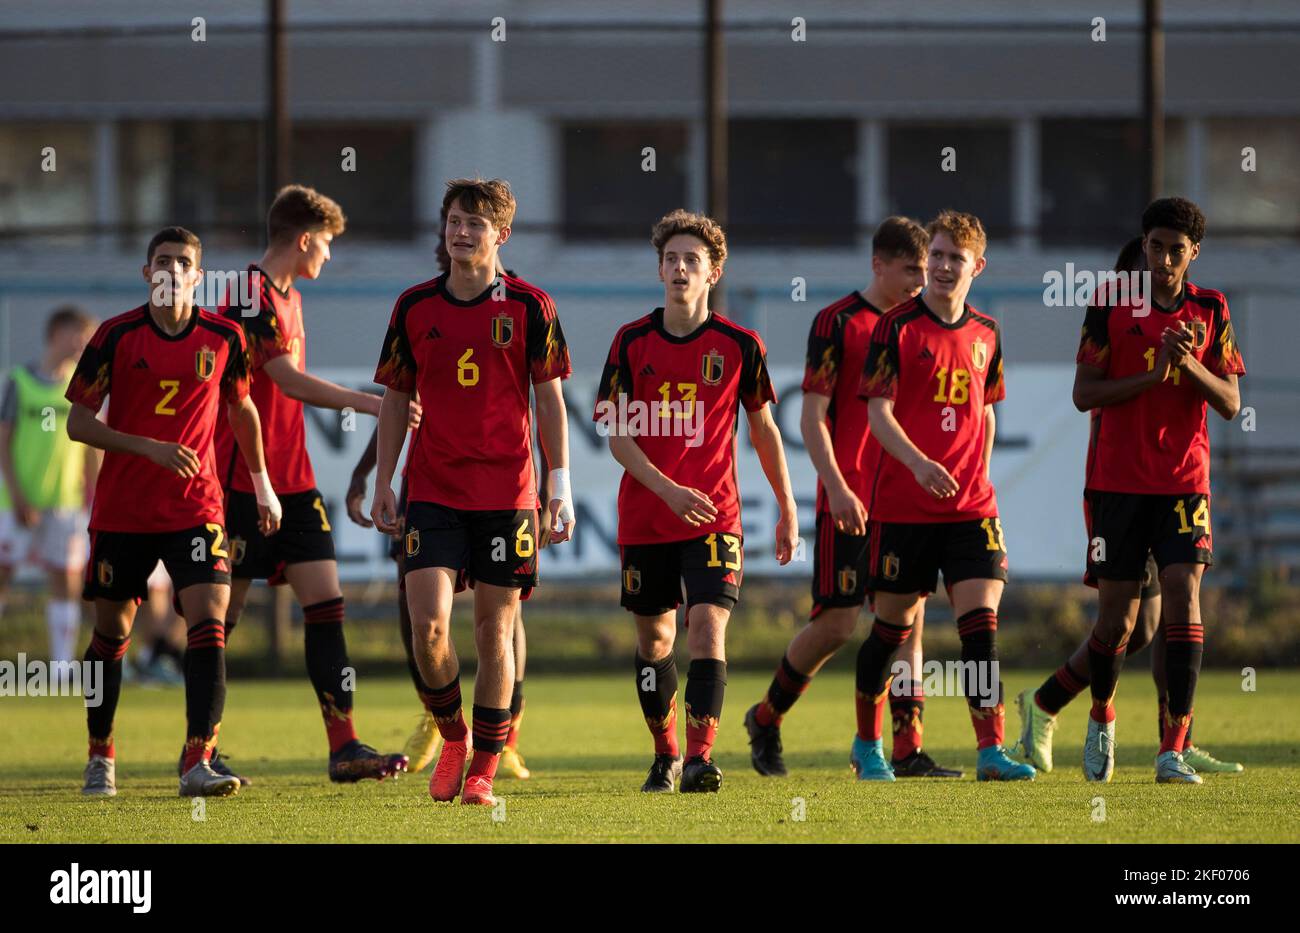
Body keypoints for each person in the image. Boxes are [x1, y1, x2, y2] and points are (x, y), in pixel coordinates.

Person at [371, 178, 574, 807]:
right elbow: (396, 398)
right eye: (454, 221)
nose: (462, 233)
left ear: (501, 235)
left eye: (476, 224)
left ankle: (483, 769)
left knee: (495, 630)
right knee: (428, 628)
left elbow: (550, 401)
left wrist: (558, 486)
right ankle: (454, 736)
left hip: (508, 493)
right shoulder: (413, 307)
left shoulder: (532, 307)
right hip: (432, 489)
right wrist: (383, 478)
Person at [1031, 198, 1245, 784]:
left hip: (1183, 482)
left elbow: (1229, 403)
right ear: (1143, 244)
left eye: (1177, 250)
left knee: (1183, 594)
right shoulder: (1108, 305)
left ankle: (1172, 747)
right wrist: (1153, 375)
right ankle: (1101, 716)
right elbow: (1083, 393)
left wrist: (1188, 366)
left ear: (1193, 253)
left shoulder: (1211, 309)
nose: (1165, 259)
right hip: (1117, 484)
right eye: (1156, 246)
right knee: (1120, 624)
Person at [66, 225, 281, 797]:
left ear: (198, 275)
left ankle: (196, 761)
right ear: (147, 273)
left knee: (208, 622)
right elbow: (77, 422)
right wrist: (149, 447)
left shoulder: (224, 336)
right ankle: (100, 753)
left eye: (183, 262)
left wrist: (263, 485)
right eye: (161, 261)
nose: (171, 270)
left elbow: (243, 411)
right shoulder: (116, 336)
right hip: (123, 510)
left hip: (197, 506)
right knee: (111, 634)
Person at [745, 217, 960, 779]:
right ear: (878, 264)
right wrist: (837, 487)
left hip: (905, 502)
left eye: (927, 267)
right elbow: (811, 416)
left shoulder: (925, 326)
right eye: (911, 268)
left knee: (908, 621)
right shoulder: (838, 323)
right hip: (852, 497)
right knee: (838, 626)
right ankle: (766, 717)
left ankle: (907, 748)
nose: (922, 278)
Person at [210, 184, 411, 785]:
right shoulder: (246, 293)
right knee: (222, 615)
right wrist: (373, 404)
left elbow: (288, 385)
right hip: (243, 477)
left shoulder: (290, 297)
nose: (328, 254)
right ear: (303, 239)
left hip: (294, 484)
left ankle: (344, 745)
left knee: (326, 606)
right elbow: (288, 381)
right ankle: (201, 747)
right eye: (325, 243)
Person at [594, 209, 798, 794]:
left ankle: (703, 759)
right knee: (654, 641)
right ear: (660, 268)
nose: (681, 268)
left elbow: (764, 431)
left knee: (707, 628)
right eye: (672, 259)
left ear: (713, 272)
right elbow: (617, 434)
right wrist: (669, 490)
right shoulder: (631, 342)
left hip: (715, 518)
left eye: (693, 260)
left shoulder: (739, 345)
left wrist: (786, 507)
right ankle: (666, 754)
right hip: (647, 515)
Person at [852, 210, 1034, 782]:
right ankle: (867, 745)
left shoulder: (986, 332)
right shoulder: (897, 327)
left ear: (977, 266)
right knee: (892, 630)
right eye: (936, 255)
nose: (943, 266)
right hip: (904, 508)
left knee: (979, 626)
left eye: (956, 257)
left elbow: (986, 409)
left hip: (971, 509)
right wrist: (919, 463)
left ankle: (990, 750)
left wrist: (977, 473)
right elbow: (877, 412)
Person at [0, 306, 98, 664]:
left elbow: (90, 449)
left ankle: (60, 669)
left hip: (66, 505)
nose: (84, 343)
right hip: (16, 504)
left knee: (66, 580)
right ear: (57, 332)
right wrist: (18, 496)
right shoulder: (19, 381)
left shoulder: (82, 385)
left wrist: (95, 497)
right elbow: (4, 443)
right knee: (3, 574)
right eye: (79, 334)